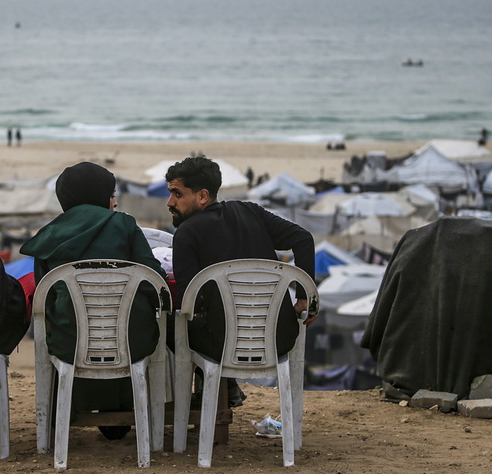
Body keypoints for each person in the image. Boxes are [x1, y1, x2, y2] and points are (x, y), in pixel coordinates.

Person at [20, 161, 166, 440]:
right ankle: (127, 415)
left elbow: (45, 295)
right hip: (131, 341)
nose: (114, 201)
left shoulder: (49, 235)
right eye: (111, 194)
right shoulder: (123, 224)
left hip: (70, 343)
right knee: (139, 324)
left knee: (70, 324)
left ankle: (67, 415)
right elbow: (152, 279)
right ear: (101, 195)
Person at [165, 156, 317, 405]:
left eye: (177, 194)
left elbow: (189, 303)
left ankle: (213, 388)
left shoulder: (186, 234)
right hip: (279, 338)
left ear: (202, 196)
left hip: (223, 346)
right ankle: (226, 387)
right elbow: (303, 239)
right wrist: (304, 297)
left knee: (170, 323)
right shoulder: (250, 212)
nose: (170, 202)